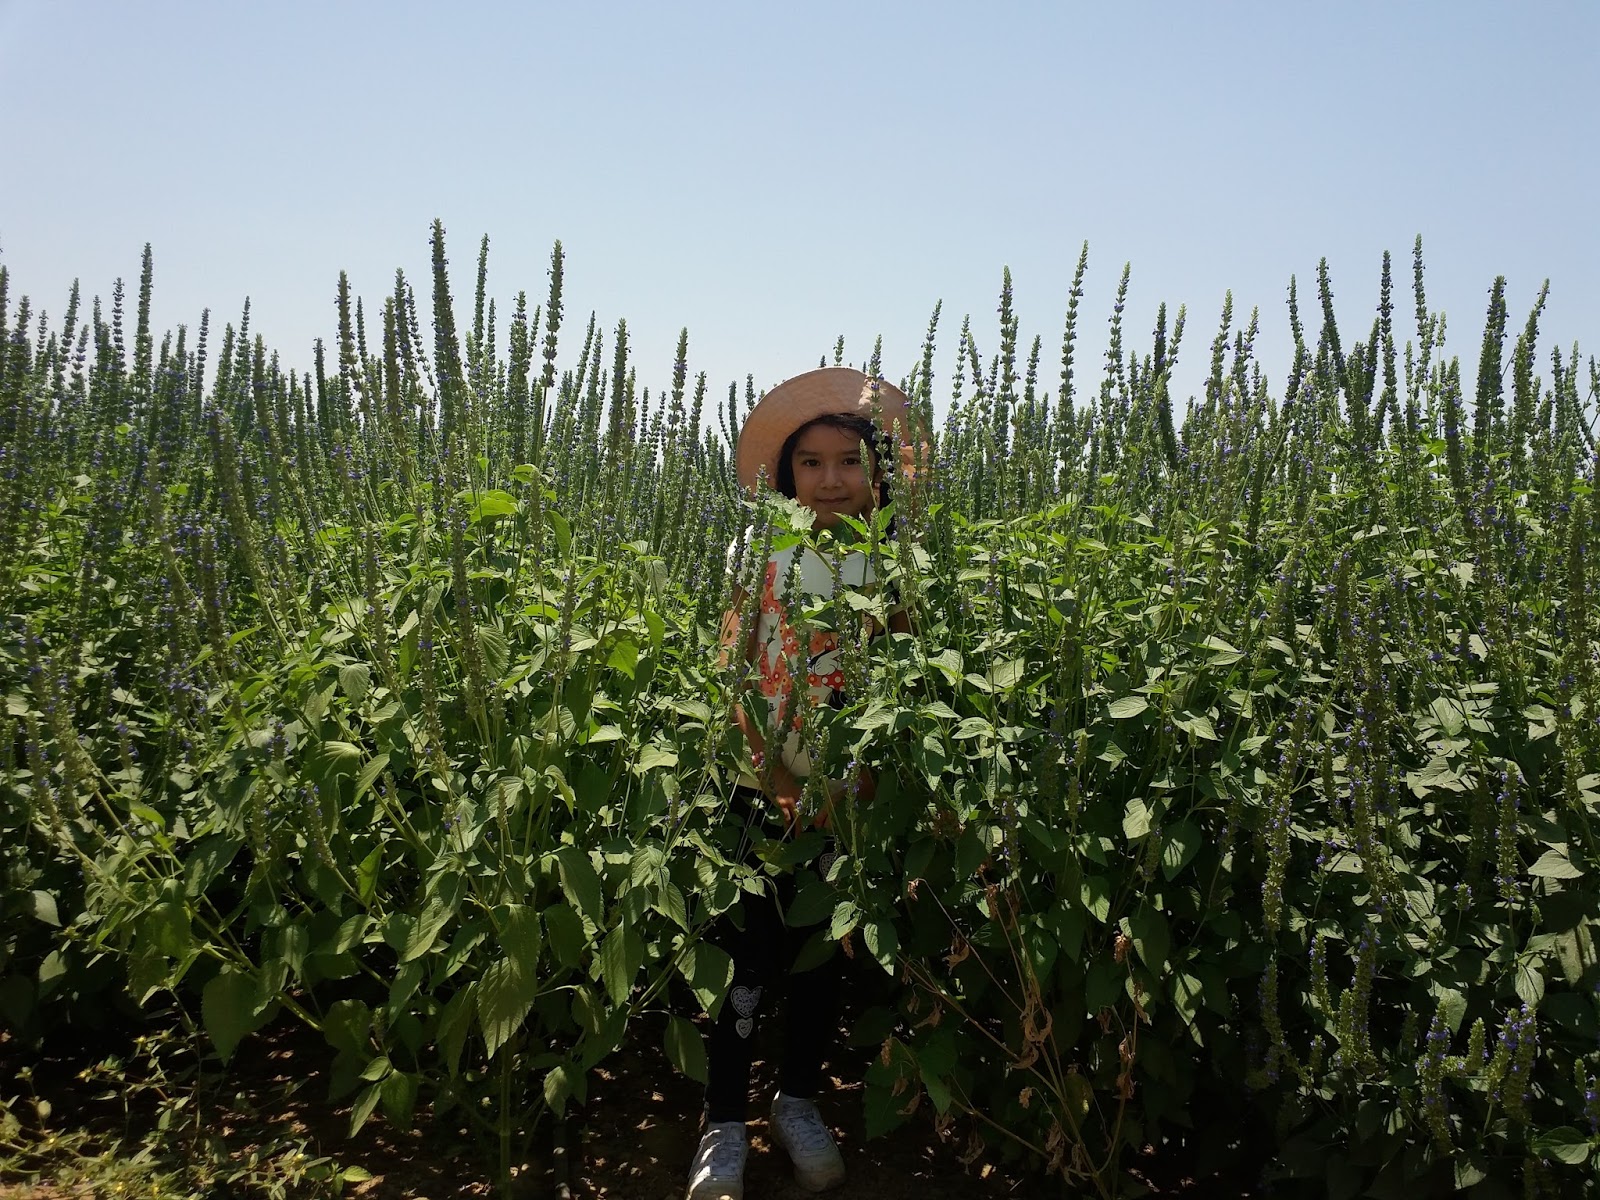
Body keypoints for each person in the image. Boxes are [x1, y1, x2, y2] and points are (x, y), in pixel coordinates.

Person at [686, 367, 915, 1200]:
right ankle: (721, 1121)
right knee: (744, 960)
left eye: (848, 462)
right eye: (810, 463)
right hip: (755, 788)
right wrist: (776, 773)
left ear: (879, 471)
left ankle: (799, 1100)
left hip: (847, 800)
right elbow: (734, 667)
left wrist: (863, 780)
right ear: (784, 475)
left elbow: (902, 668)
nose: (829, 480)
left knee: (825, 958)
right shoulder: (759, 551)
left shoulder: (894, 557)